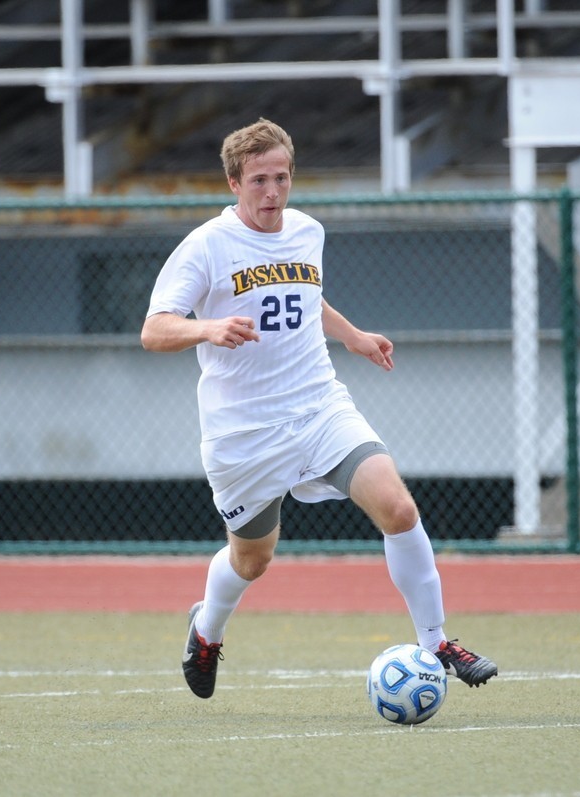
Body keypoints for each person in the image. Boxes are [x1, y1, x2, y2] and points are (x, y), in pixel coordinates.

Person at [140, 118, 497, 700]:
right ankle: (206, 630)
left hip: (318, 408)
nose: (272, 193)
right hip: (243, 434)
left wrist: (352, 335)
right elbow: (154, 331)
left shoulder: (308, 231)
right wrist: (207, 327)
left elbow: (304, 295)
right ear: (234, 183)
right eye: (258, 181)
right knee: (252, 561)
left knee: (399, 508)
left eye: (281, 178)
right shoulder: (207, 245)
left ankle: (435, 643)